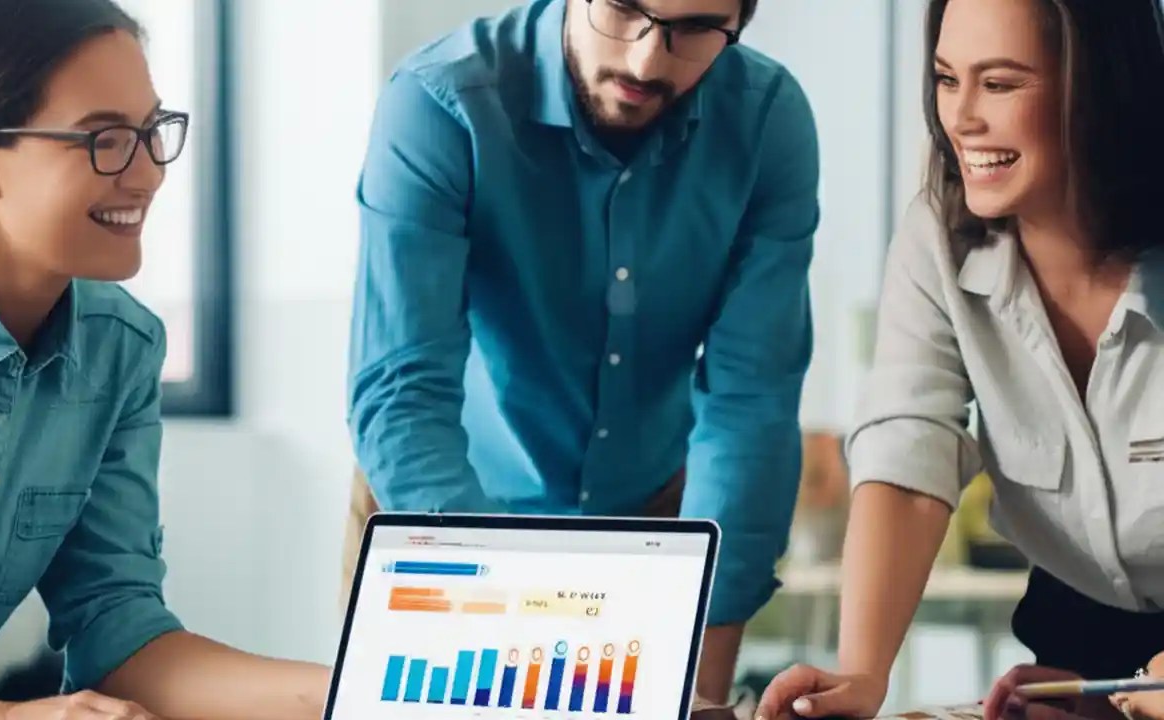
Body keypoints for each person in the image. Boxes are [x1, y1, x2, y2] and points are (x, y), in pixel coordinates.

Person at [347, 0, 819, 708]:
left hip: (663, 519)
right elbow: (402, 391)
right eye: (626, 9)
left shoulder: (766, 119)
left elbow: (751, 400)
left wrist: (707, 681)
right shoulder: (439, 101)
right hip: (445, 507)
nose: (645, 61)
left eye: (693, 30)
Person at [0, 1, 330, 718]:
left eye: (153, 133)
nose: (148, 174)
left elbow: (120, 637)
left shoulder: (122, 349)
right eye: (105, 140)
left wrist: (352, 694)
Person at [753, 0, 1164, 719]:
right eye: (947, 78)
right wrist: (862, 674)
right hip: (1085, 649)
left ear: (1100, 85)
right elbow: (910, 450)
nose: (961, 117)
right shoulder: (938, 237)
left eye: (1000, 84)